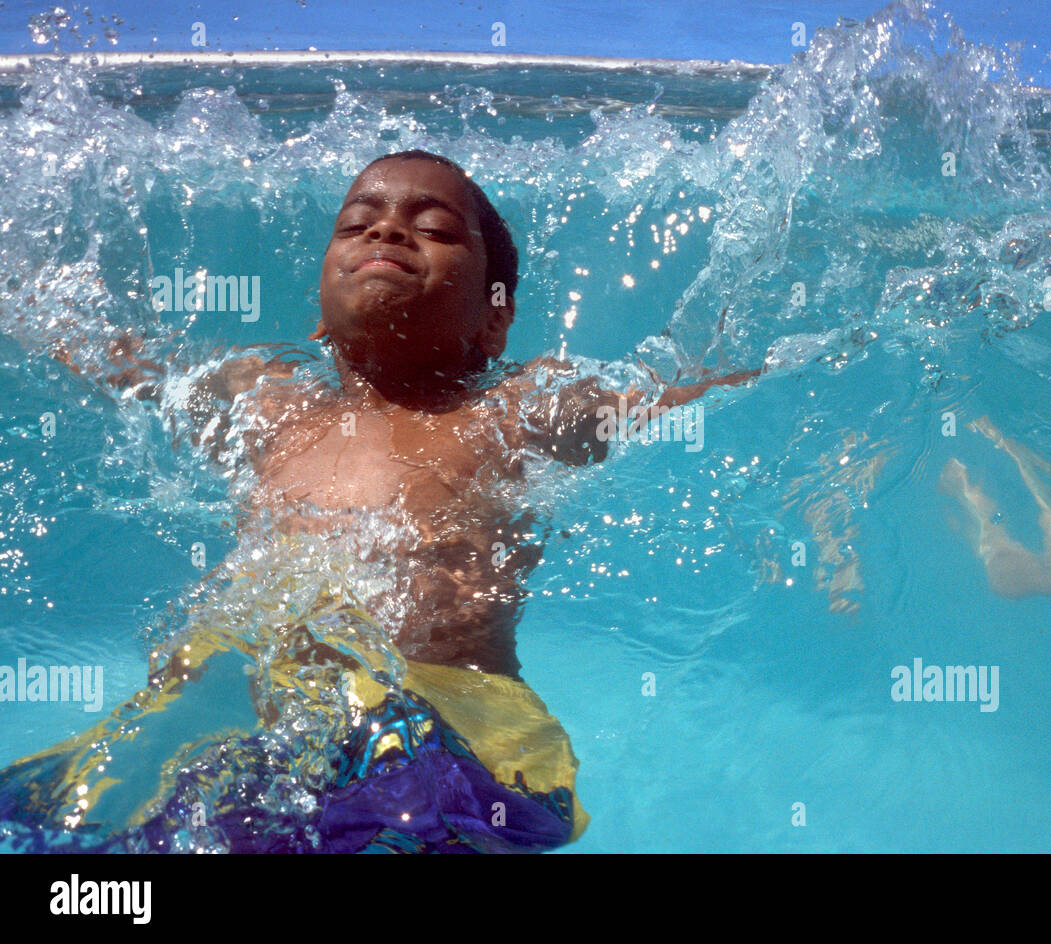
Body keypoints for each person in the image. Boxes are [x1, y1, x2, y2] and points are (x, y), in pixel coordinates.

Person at [0, 150, 758, 853]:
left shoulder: (517, 412)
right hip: (240, 722)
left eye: (434, 229)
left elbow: (694, 392)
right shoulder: (266, 405)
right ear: (319, 312)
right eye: (358, 224)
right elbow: (114, 355)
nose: (390, 228)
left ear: (494, 320)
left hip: (437, 729)